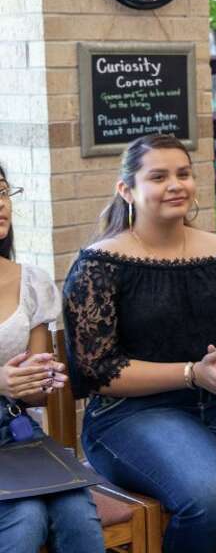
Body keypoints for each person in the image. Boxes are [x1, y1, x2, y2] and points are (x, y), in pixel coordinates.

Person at [61, 134, 216, 553]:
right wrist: (192, 375)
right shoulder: (99, 265)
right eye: (158, 176)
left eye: (183, 174)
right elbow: (98, 371)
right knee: (212, 498)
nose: (175, 185)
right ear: (127, 189)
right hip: (129, 417)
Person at [0, 164, 104, 552]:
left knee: (78, 514)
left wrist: (42, 380)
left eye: (3, 191)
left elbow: (35, 398)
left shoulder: (30, 281)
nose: (1, 204)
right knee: (25, 517)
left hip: (16, 434)